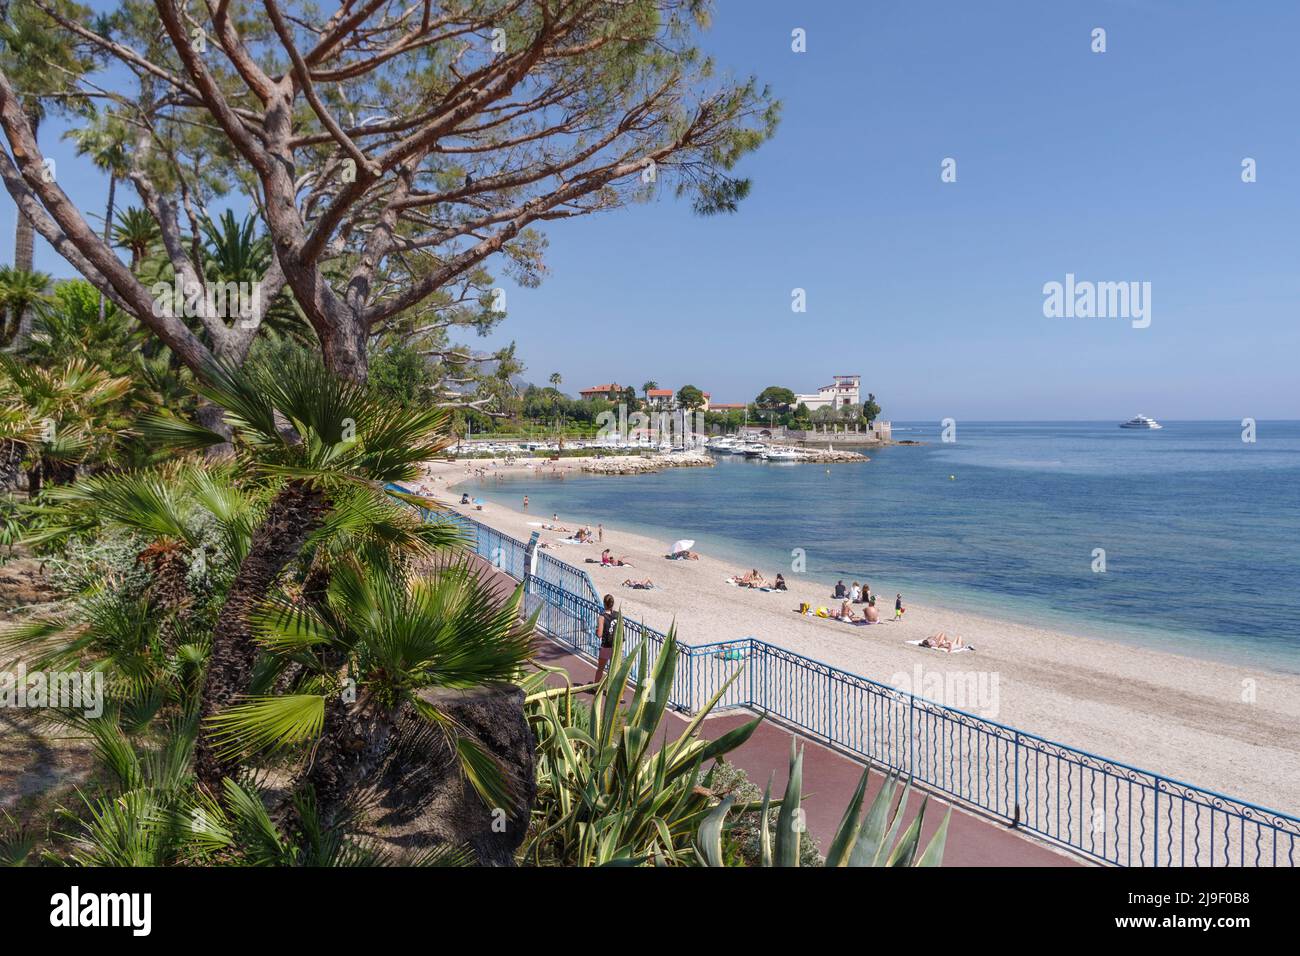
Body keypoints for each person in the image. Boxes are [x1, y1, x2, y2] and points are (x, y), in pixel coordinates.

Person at [593, 594, 617, 684]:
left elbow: (599, 634)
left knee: (600, 669)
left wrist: (596, 630)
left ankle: (596, 687)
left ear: (604, 604)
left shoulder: (602, 617)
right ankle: (617, 693)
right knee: (614, 670)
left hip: (606, 646)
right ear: (612, 604)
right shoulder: (618, 615)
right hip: (616, 646)